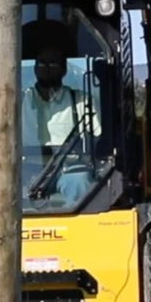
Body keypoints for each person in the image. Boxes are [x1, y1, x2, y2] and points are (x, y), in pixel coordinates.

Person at [20, 41, 98, 205]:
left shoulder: (80, 101)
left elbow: (97, 139)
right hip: (28, 170)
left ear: (64, 70)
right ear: (35, 69)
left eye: (53, 63)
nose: (47, 68)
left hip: (69, 169)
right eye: (42, 63)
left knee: (81, 181)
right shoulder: (17, 102)